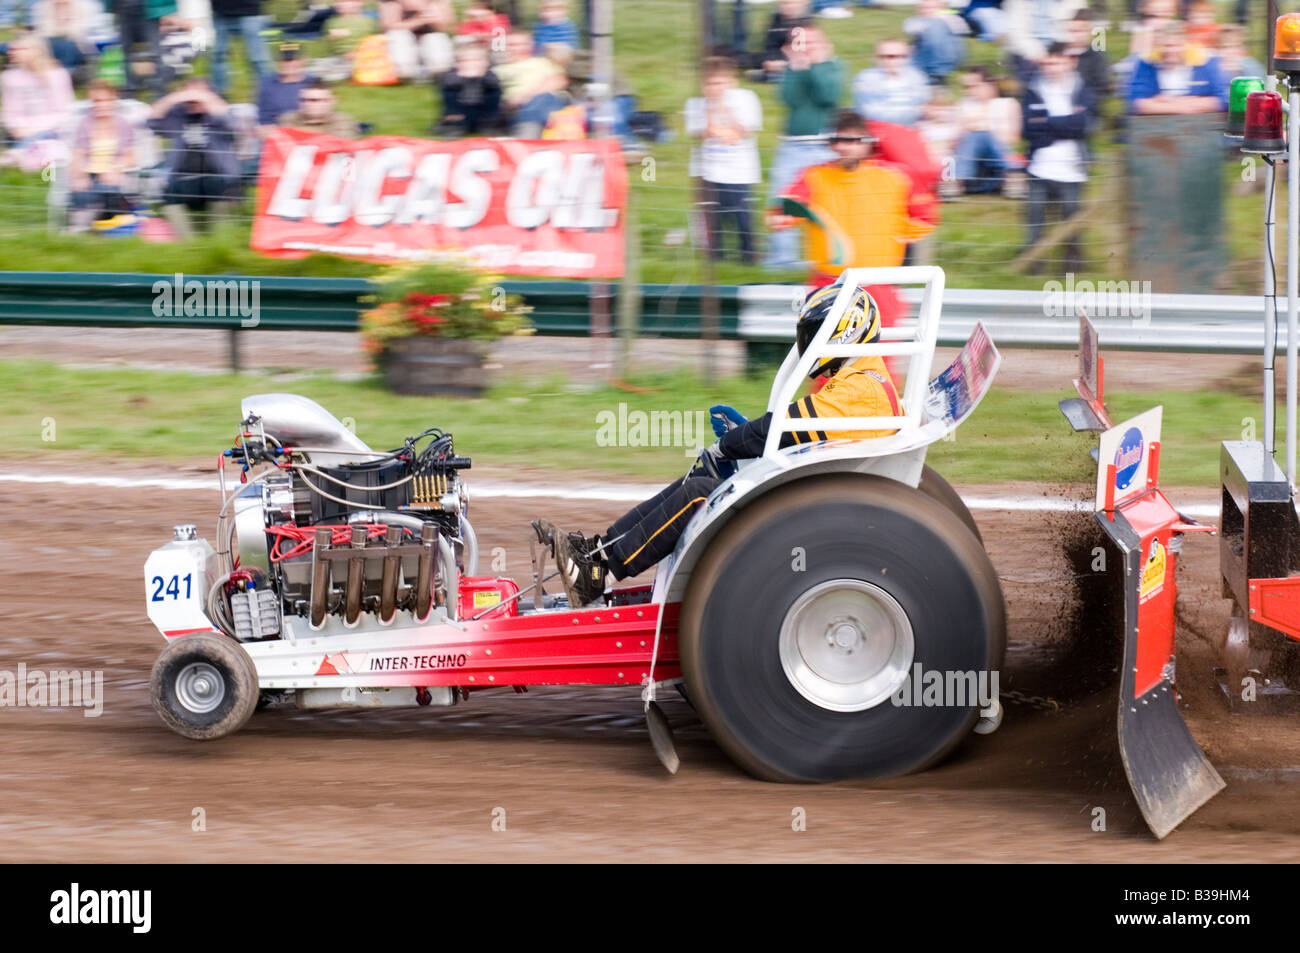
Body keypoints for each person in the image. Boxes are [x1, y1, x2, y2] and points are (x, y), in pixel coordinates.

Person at [533, 282, 901, 607]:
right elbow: (794, 433)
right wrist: (744, 439)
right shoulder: (862, 380)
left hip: (816, 513)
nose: (807, 345)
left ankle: (601, 573)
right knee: (698, 483)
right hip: (820, 500)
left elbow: (780, 428)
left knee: (699, 496)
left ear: (845, 333)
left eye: (814, 334)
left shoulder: (862, 389)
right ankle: (597, 554)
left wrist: (726, 445)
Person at [769, 109, 934, 339]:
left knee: (879, 356)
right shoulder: (814, 175)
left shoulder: (897, 176)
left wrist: (891, 239)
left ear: (867, 142)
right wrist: (780, 217)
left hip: (879, 285)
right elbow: (787, 208)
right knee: (825, 357)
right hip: (829, 285)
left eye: (852, 140)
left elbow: (925, 218)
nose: (844, 147)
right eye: (838, 140)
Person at [765, 23, 840, 267]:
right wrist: (797, 69)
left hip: (823, 146)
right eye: (800, 43)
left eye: (810, 42)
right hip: (793, 147)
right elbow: (789, 99)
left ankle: (829, 255)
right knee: (784, 198)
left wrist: (813, 67)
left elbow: (827, 96)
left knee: (826, 202)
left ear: (823, 44)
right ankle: (782, 259)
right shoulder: (793, 69)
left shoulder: (832, 67)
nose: (806, 47)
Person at [1022, 41, 1096, 273]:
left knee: (1072, 224)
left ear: (1068, 62)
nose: (1051, 68)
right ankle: (1033, 267)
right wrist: (1066, 123)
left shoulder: (1082, 89)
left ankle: (1072, 269)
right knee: (1035, 222)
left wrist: (1047, 122)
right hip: (1039, 167)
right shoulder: (1032, 89)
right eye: (1047, 63)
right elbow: (1028, 128)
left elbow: (1083, 126)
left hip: (1072, 170)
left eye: (1057, 63)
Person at [685, 55, 763, 265]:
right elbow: (703, 133)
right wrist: (712, 108)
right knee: (713, 222)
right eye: (710, 83)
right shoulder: (695, 104)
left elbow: (745, 131)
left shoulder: (746, 98)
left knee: (743, 220)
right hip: (708, 171)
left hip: (740, 172)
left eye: (720, 83)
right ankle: (715, 260)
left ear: (731, 81)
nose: (715, 88)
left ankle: (748, 259)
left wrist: (725, 108)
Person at [148, 78, 242, 237]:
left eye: (198, 95)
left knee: (222, 188)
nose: (193, 100)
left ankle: (218, 240)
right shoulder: (178, 116)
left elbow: (230, 123)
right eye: (189, 96)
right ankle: (188, 243)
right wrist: (175, 98)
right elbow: (152, 121)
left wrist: (206, 99)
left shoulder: (218, 115)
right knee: (169, 194)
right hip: (184, 180)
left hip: (218, 178)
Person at [68, 79, 137, 229]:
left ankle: (91, 223)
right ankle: (88, 224)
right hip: (89, 173)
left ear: (113, 101)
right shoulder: (85, 123)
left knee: (109, 190)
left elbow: (130, 157)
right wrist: (80, 176)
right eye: (96, 101)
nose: (99, 105)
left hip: (112, 174)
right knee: (81, 192)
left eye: (104, 100)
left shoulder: (123, 124)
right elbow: (78, 154)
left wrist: (115, 168)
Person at [0, 33, 74, 172]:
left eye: (22, 49)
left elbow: (63, 112)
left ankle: (18, 154)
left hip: (51, 130)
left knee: (49, 135)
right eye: (14, 49)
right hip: (20, 132)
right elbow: (9, 112)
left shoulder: (57, 75)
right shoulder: (9, 77)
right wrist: (17, 127)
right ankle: (25, 154)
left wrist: (33, 129)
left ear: (37, 51)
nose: (14, 52)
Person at [1127, 20, 1226, 114]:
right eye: (1165, 45)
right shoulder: (1146, 61)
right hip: (1157, 124)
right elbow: (1136, 104)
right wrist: (1178, 107)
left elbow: (1224, 99)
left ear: (1186, 44)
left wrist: (1165, 102)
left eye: (1176, 45)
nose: (1170, 50)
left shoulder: (1205, 60)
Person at [953, 64, 1022, 194]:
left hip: (999, 160)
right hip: (972, 163)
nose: (969, 91)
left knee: (983, 134)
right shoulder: (963, 105)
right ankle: (957, 180)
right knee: (975, 136)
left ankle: (1012, 177)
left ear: (990, 85)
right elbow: (956, 139)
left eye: (974, 86)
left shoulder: (1008, 104)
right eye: (966, 87)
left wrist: (983, 130)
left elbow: (1014, 138)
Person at [494, 28, 566, 135]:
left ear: (529, 46)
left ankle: (528, 137)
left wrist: (526, 95)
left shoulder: (542, 62)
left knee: (542, 100)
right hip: (517, 109)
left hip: (551, 101)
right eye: (511, 45)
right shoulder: (500, 69)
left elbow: (558, 81)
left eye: (521, 44)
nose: (516, 48)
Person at [1001, 0, 1086, 82]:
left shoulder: (1074, 2)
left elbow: (1078, 29)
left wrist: (1060, 55)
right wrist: (1038, 54)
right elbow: (1015, 33)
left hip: (1063, 52)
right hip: (1028, 55)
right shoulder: (1017, 3)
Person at [852, 38, 931, 127]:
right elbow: (870, 113)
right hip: (881, 128)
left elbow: (926, 107)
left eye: (903, 56)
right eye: (891, 57)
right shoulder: (866, 78)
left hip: (913, 128)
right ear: (878, 58)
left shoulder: (916, 77)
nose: (898, 60)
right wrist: (915, 112)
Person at [437, 39, 502, 135]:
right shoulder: (452, 75)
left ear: (486, 62)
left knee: (494, 90)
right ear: (457, 63)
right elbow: (448, 82)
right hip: (461, 113)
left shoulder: (489, 75)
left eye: (477, 60)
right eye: (465, 61)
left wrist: (482, 76)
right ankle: (453, 125)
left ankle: (490, 125)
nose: (471, 64)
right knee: (449, 90)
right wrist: (462, 76)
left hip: (483, 114)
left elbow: (494, 84)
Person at [209, 0, 270, 98]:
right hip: (220, 13)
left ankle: (268, 96)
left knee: (259, 60)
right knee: (218, 57)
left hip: (250, 12)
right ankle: (218, 97)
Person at [381, 0, 454, 81]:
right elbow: (389, 27)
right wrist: (419, 20)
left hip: (427, 44)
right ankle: (404, 72)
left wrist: (436, 20)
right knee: (399, 36)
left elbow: (447, 27)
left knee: (436, 38)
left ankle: (436, 70)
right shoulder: (392, 2)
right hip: (404, 45)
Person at [903, 0, 966, 84]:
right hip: (921, 59)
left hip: (944, 58)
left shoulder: (949, 20)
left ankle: (935, 75)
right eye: (925, 8)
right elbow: (910, 28)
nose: (929, 11)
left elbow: (960, 34)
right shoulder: (917, 21)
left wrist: (947, 18)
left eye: (933, 8)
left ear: (942, 9)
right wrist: (926, 25)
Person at [276, 77, 360, 136]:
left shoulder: (342, 121)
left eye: (315, 100)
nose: (307, 104)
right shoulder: (288, 119)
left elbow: (341, 145)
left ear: (331, 101)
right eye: (303, 100)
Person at [257, 43, 310, 132]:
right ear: (277, 62)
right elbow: (264, 119)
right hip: (279, 133)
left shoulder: (313, 82)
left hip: (309, 131)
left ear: (303, 61)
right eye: (284, 60)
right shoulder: (267, 84)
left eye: (292, 59)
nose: (288, 63)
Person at [760, 0, 811, 82]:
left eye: (791, 3)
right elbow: (771, 45)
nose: (787, 7)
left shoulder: (805, 24)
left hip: (797, 62)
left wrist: (783, 64)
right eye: (784, 3)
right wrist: (771, 59)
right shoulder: (776, 20)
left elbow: (802, 53)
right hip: (778, 59)